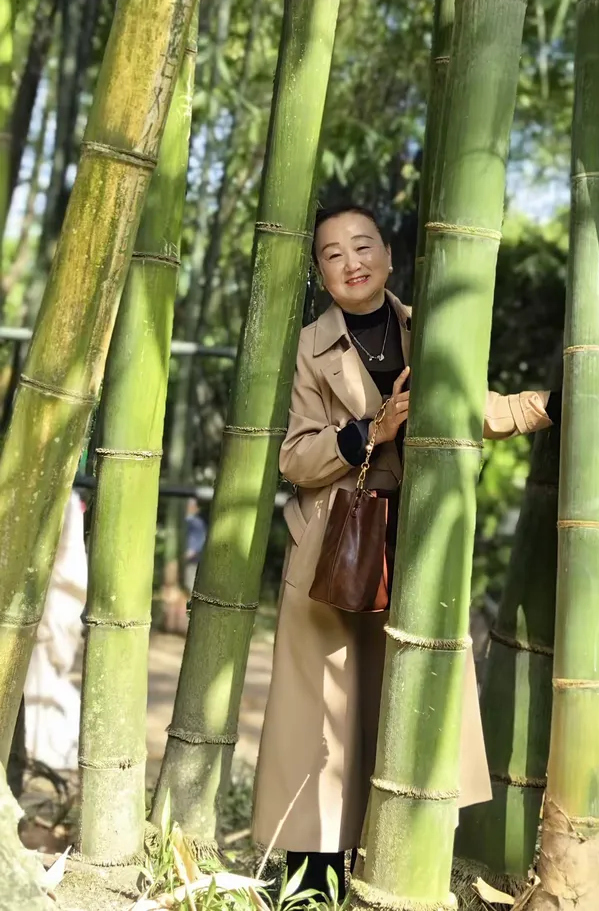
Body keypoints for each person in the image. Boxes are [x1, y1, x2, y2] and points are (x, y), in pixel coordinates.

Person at [251, 205, 562, 898]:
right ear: (320, 274)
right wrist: (371, 428)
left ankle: (402, 863)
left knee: (409, 700)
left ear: (389, 257)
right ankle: (313, 878)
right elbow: (294, 456)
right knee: (325, 715)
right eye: (333, 253)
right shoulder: (305, 346)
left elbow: (470, 405)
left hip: (416, 540)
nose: (351, 260)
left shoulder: (429, 324)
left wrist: (548, 406)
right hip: (338, 542)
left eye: (363, 245)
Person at [24, 491, 88, 771]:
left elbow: (68, 555)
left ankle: (34, 741)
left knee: (43, 665)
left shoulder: (66, 499)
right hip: (29, 583)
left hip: (51, 587)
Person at [184, 498, 207, 595]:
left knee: (191, 579)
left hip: (193, 557)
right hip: (187, 556)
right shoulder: (185, 521)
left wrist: (192, 550)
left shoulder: (196, 522)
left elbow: (201, 538)